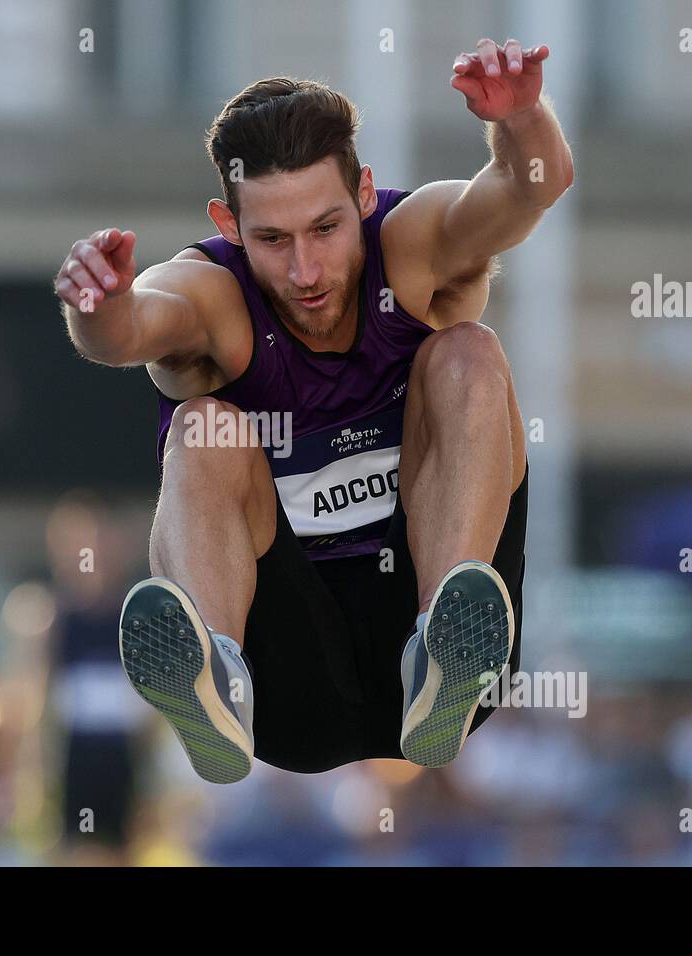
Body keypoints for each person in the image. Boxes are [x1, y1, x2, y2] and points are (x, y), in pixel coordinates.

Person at [54, 39, 572, 783]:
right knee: (205, 426)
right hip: (286, 693)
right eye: (272, 240)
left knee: (469, 352)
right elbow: (128, 334)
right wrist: (99, 304)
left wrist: (521, 119)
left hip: (436, 676)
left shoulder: (412, 248)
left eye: (326, 230)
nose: (305, 272)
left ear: (364, 195)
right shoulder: (214, 296)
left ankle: (443, 639)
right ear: (228, 226)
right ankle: (216, 675)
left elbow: (530, 189)